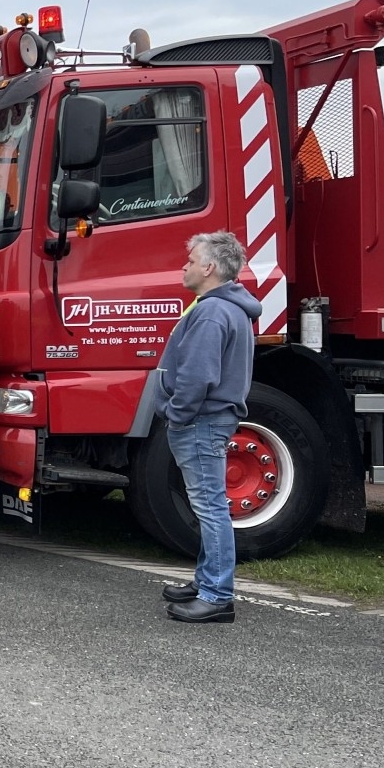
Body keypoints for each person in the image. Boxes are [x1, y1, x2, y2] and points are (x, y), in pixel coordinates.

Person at [159, 232, 260, 623]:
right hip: (208, 419)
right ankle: (206, 582)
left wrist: (177, 414)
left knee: (210, 507)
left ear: (209, 267)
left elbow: (198, 375)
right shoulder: (223, 307)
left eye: (190, 260)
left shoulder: (213, 312)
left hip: (200, 420)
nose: (184, 266)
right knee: (208, 505)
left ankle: (217, 595)